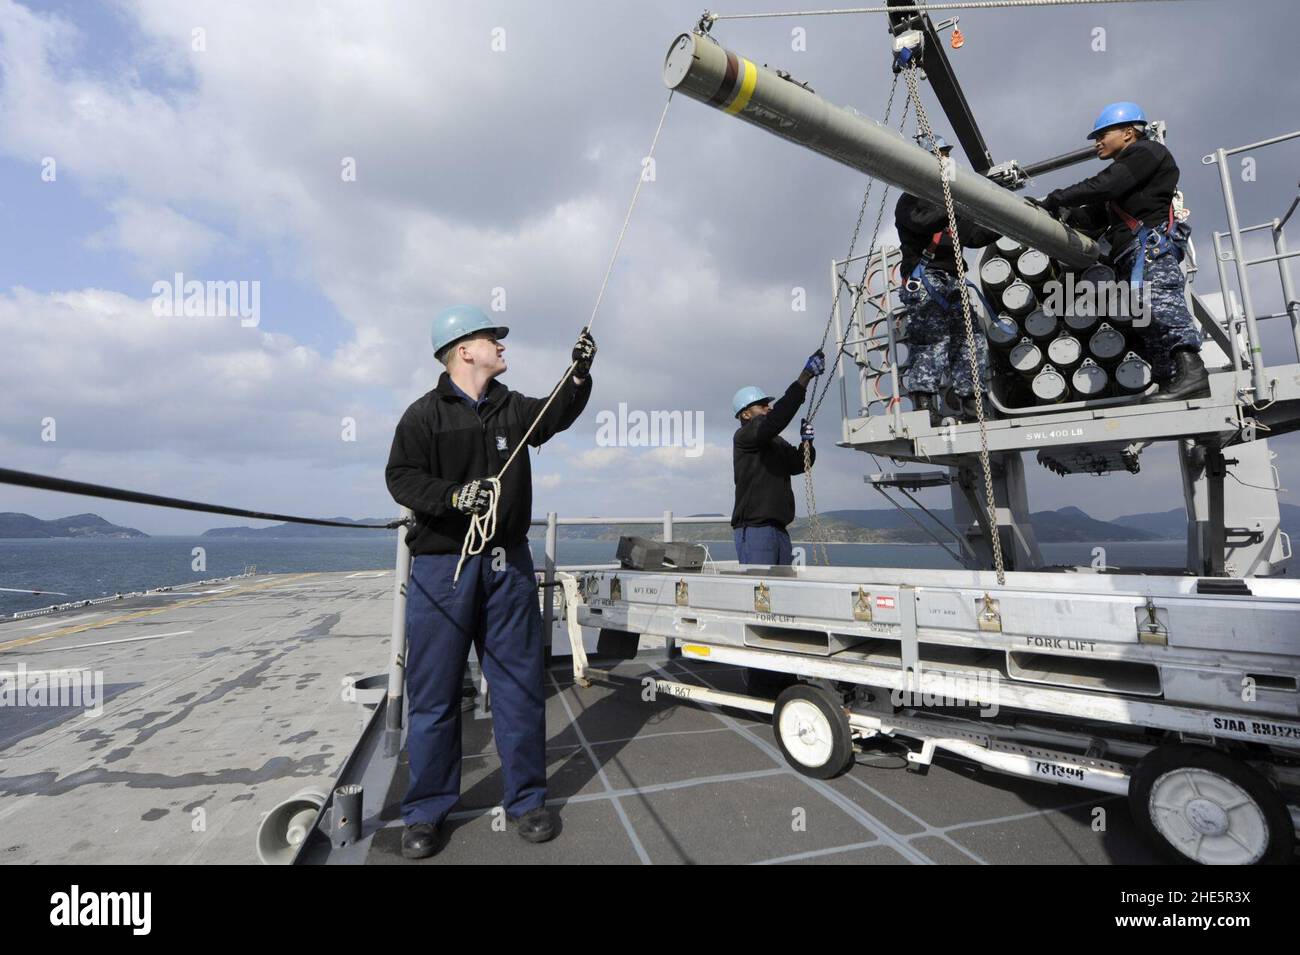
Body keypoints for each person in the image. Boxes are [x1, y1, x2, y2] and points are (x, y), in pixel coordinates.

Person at [385, 305, 594, 859]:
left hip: (507, 566)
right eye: (491, 339)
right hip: (442, 567)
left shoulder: (513, 408)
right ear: (463, 350)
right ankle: (426, 811)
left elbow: (557, 414)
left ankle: (527, 802)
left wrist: (578, 375)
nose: (501, 345)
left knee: (519, 688)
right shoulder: (422, 416)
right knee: (433, 694)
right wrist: (454, 498)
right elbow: (401, 477)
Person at [1039, 101, 1208, 401]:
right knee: (1148, 322)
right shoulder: (1127, 175)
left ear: (1129, 133)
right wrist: (1062, 213)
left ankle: (1193, 374)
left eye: (1103, 135)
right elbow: (1097, 214)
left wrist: (1057, 197)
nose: (1097, 143)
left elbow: (1105, 186)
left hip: (1149, 251)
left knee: (1162, 308)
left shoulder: (1147, 154)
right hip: (1131, 257)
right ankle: (1173, 381)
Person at [895, 134, 1002, 424]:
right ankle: (924, 403)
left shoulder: (952, 203)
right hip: (926, 278)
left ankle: (972, 402)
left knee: (970, 340)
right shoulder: (910, 199)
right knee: (932, 340)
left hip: (953, 280)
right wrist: (956, 199)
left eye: (945, 154)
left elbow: (974, 236)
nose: (945, 160)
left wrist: (1006, 220)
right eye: (939, 155)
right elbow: (923, 222)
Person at [730, 349, 824, 566]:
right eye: (762, 405)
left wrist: (807, 443)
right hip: (755, 532)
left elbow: (799, 464)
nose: (768, 407)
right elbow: (776, 419)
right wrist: (805, 377)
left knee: (780, 595)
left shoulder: (774, 441)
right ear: (745, 414)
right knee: (762, 595)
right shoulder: (744, 436)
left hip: (778, 531)